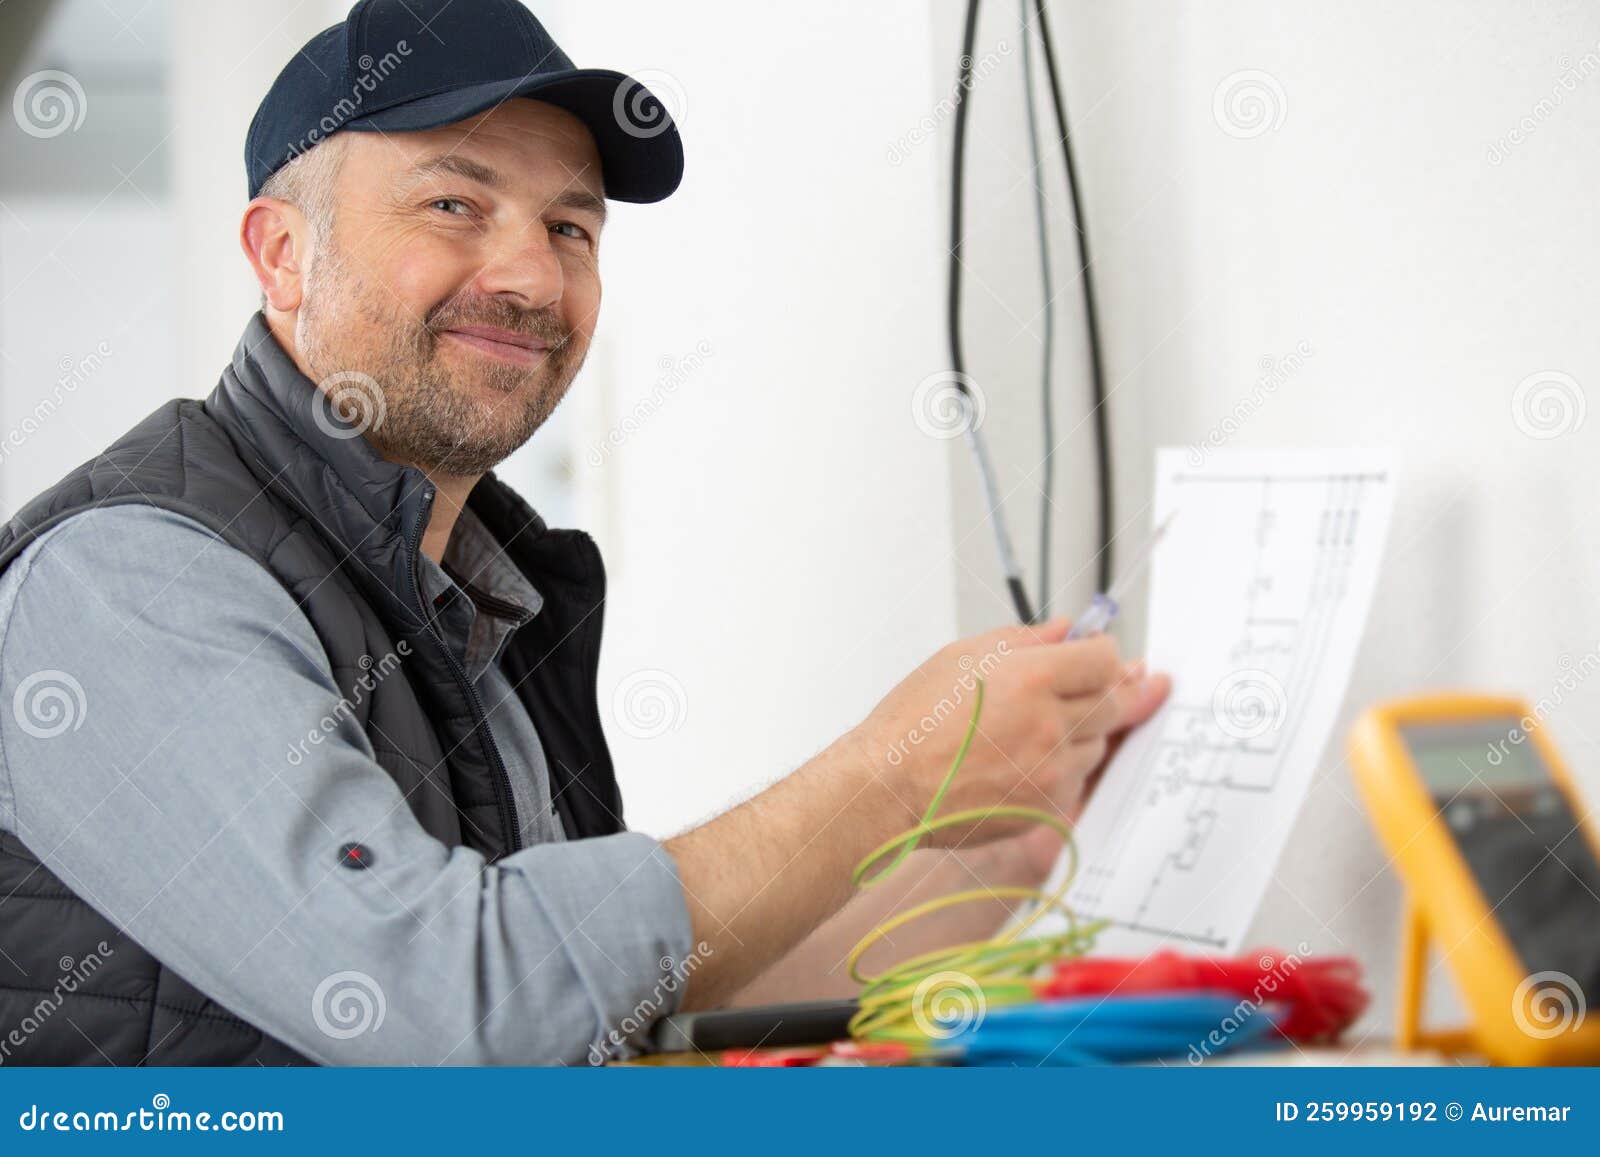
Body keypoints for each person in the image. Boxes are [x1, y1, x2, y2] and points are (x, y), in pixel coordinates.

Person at [0, 0, 1169, 1066]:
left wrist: (990, 852)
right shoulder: (124, 578)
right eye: (454, 203)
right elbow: (455, 1009)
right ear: (282, 255)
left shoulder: (477, 595)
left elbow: (605, 1011)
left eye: (571, 226)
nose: (530, 275)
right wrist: (895, 764)